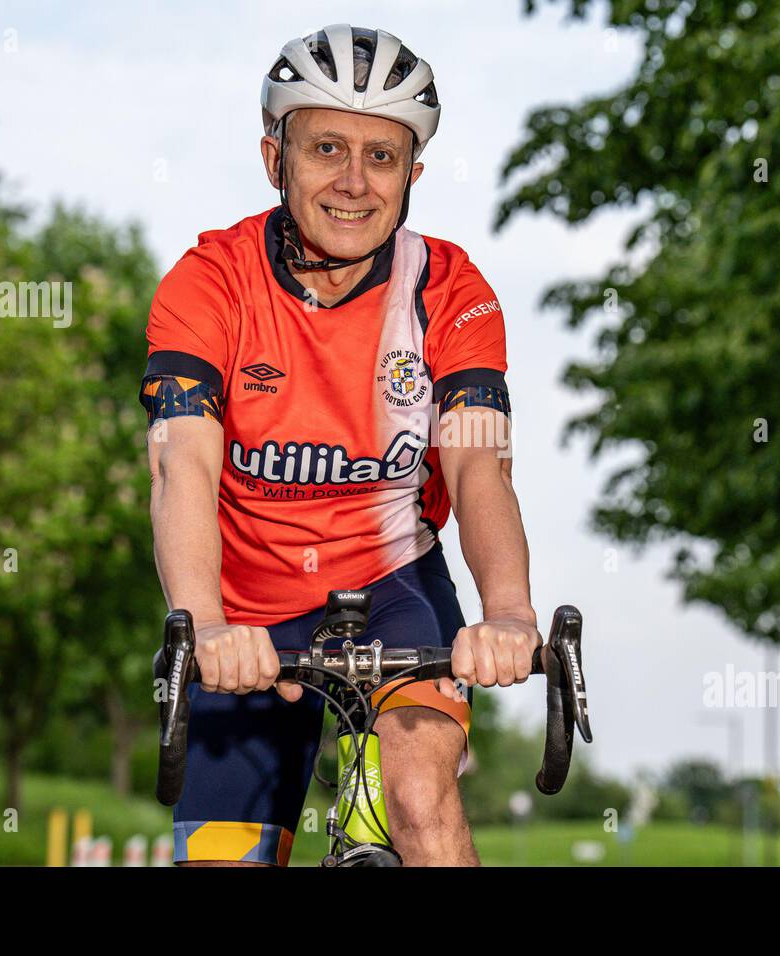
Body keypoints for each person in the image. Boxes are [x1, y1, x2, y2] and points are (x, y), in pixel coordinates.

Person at [140, 24, 539, 866]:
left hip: (395, 586)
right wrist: (205, 624)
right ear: (273, 157)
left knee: (421, 800)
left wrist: (508, 612)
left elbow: (476, 468)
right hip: (244, 610)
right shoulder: (209, 282)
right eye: (326, 148)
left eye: (383, 157)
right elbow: (183, 465)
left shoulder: (450, 290)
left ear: (413, 175)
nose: (354, 182)